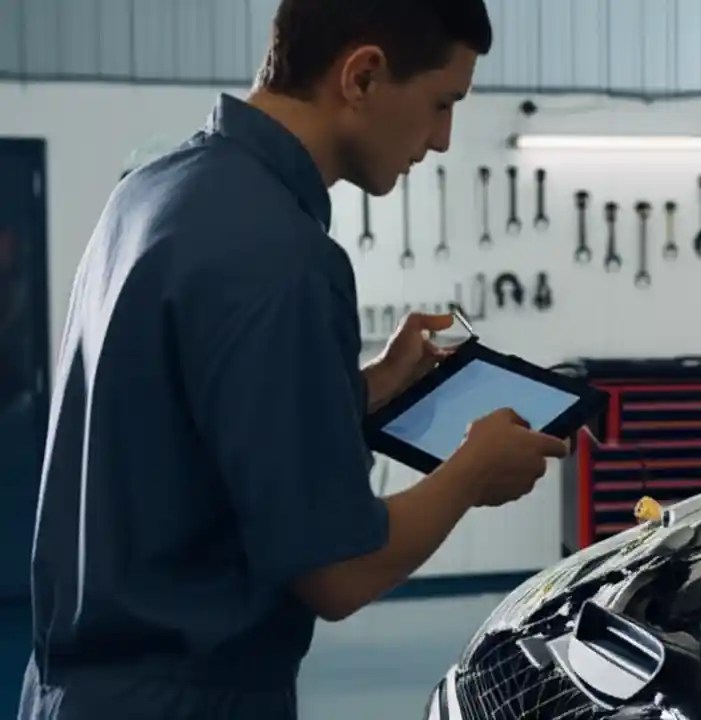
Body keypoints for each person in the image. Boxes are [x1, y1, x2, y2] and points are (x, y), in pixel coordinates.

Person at [19, 1, 569, 718]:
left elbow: (201, 432)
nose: (441, 140)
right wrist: (472, 472)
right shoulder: (282, 256)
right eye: (443, 104)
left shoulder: (152, 191)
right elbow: (338, 571)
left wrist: (375, 385)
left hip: (71, 691)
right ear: (362, 76)